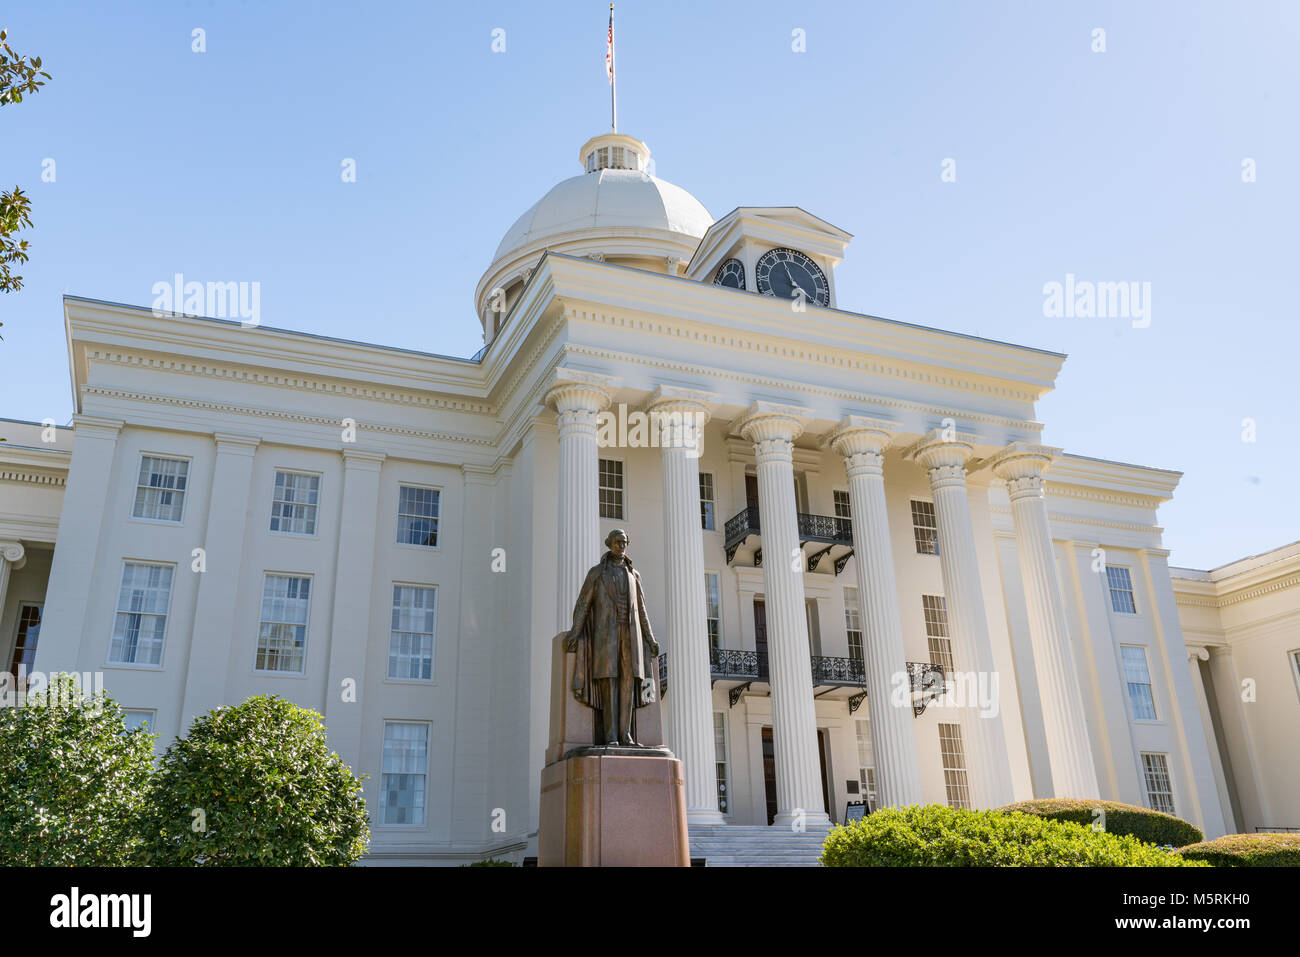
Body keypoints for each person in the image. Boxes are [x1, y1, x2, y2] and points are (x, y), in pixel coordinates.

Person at [564, 529, 660, 746]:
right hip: (606, 635)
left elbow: (642, 610)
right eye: (617, 542)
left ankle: (625, 734)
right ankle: (610, 735)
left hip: (630, 635)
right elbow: (583, 604)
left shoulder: (634, 575)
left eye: (624, 542)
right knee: (610, 683)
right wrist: (575, 630)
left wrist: (650, 639)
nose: (621, 546)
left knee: (628, 684)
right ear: (609, 544)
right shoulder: (597, 573)